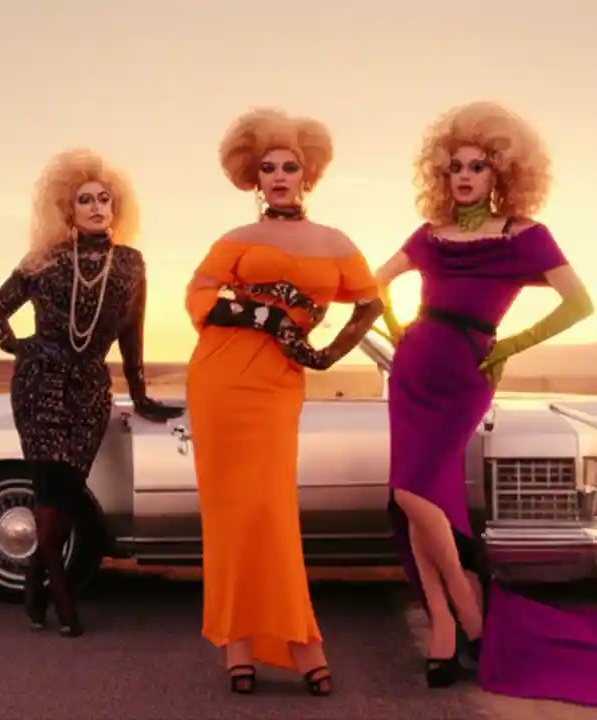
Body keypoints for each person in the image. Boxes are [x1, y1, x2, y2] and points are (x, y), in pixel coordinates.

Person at [373, 101, 597, 709]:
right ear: (441, 172)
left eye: (478, 166)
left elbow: (578, 303)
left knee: (414, 493)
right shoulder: (430, 235)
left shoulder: (525, 236)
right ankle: (445, 623)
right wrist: (396, 328)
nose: (463, 176)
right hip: (412, 372)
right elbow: (374, 281)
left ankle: (472, 618)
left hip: (466, 370)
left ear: (500, 174)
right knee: (413, 500)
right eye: (454, 166)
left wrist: (511, 342)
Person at [183, 107, 384, 696]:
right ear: (254, 177)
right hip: (221, 377)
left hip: (276, 388)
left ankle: (300, 640)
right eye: (267, 167)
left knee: (270, 510)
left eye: (288, 166)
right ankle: (237, 645)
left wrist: (324, 355)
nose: (277, 176)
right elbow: (198, 298)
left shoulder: (336, 243)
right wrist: (269, 313)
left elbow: (369, 305)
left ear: (307, 173)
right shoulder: (237, 240)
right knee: (228, 514)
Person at [0, 148, 182, 638]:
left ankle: (34, 591)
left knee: (65, 497)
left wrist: (138, 395)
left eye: (104, 199)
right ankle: (65, 604)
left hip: (91, 388)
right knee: (51, 488)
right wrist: (25, 349)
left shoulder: (131, 264)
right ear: (66, 210)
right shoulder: (43, 260)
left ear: (117, 208)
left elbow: (133, 335)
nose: (95, 207)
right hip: (40, 388)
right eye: (84, 200)